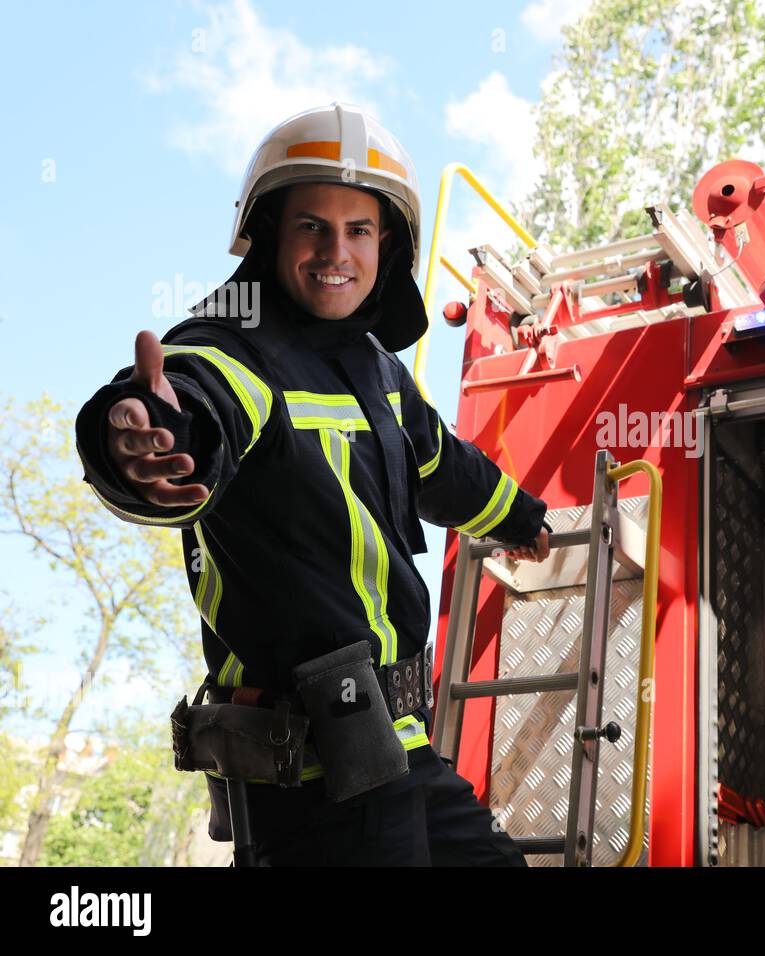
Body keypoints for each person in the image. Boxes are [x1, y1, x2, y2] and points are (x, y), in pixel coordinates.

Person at [73, 103, 549, 866]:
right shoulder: (232, 346)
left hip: (397, 752)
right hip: (311, 783)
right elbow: (193, 412)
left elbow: (445, 466)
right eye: (311, 226)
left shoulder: (380, 372)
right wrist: (145, 439)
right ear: (267, 235)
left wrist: (523, 519)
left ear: (386, 244)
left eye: (357, 229)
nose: (336, 250)